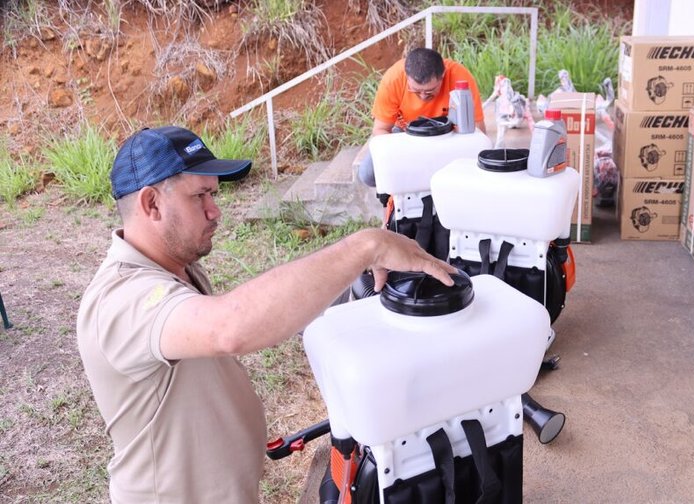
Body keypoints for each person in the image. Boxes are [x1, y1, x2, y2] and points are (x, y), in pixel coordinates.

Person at [76, 125, 456, 503]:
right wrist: (365, 247)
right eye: (200, 196)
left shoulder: (173, 266)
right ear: (151, 204)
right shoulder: (122, 299)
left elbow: (263, 308)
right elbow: (230, 327)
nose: (215, 211)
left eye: (214, 194)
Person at [358, 47, 486, 187]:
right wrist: (401, 156)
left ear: (442, 75)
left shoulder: (460, 78)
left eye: (430, 90)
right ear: (407, 77)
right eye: (416, 91)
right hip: (404, 134)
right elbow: (380, 130)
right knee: (367, 173)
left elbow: (478, 132)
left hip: (447, 135)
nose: (424, 96)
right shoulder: (394, 79)